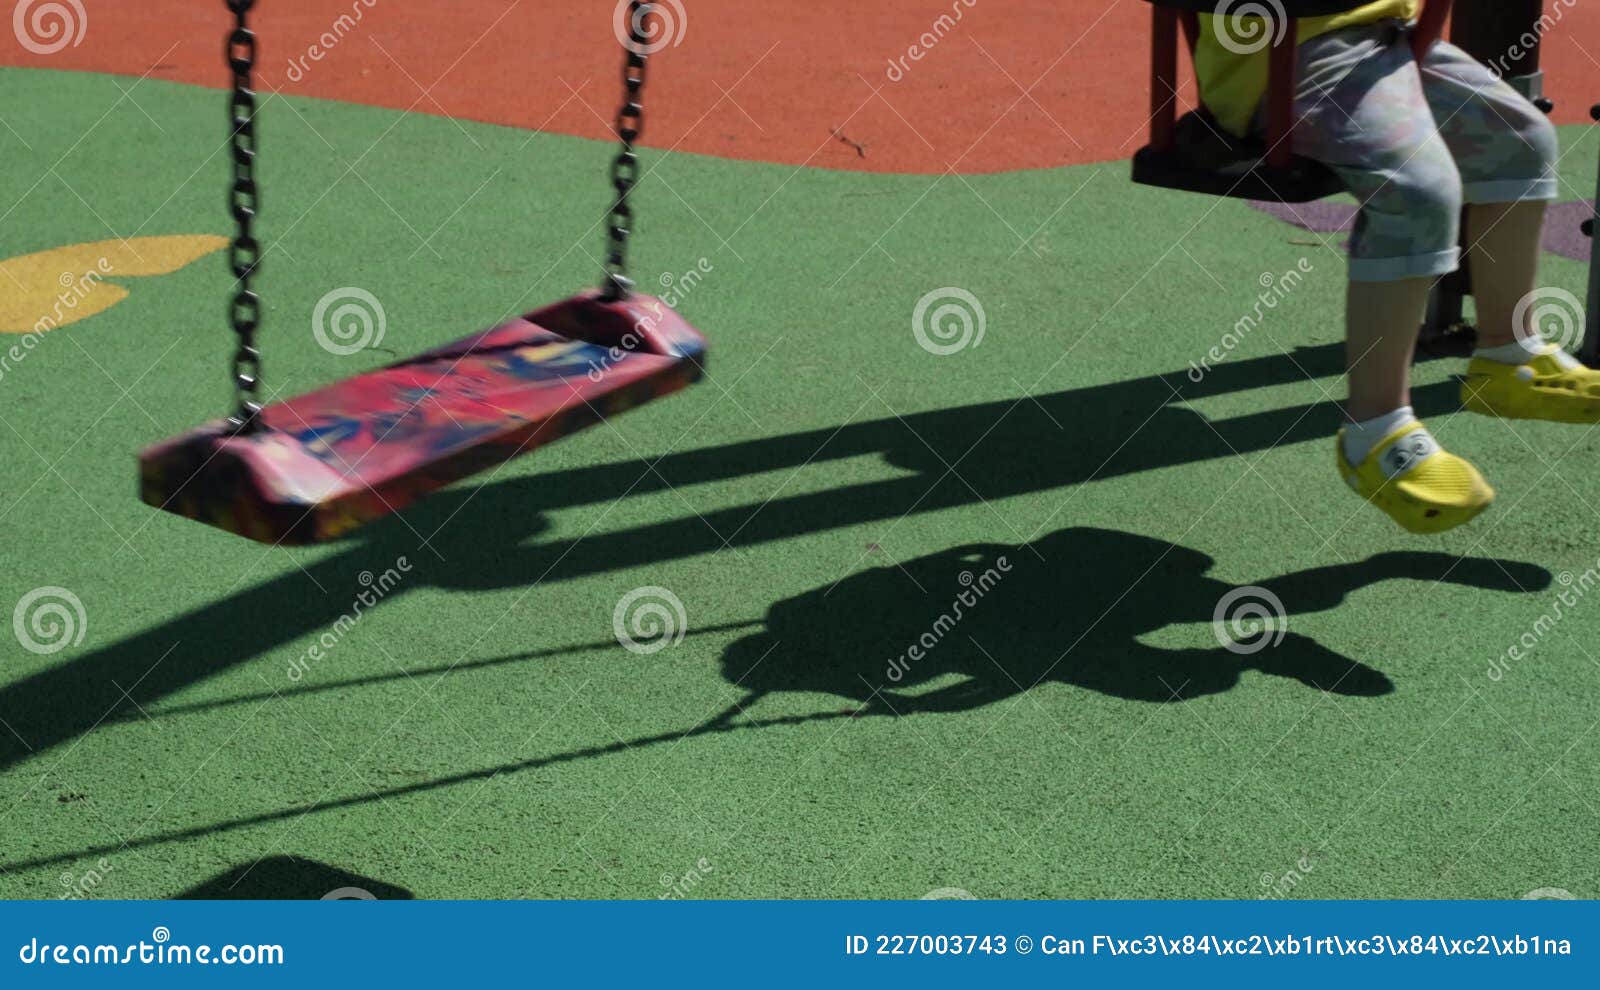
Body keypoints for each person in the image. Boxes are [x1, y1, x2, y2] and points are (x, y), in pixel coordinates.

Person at [1197, 1, 1595, 533]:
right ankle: (1375, 429)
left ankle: (1508, 355)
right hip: (1285, 53)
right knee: (1416, 191)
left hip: (1390, 39)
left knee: (1518, 140)